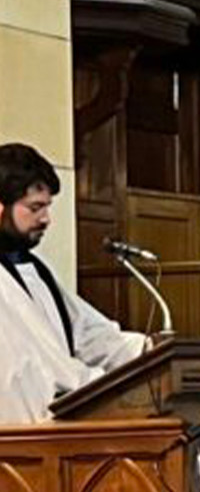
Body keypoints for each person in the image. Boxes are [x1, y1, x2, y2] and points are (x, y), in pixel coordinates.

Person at [0, 142, 148, 425]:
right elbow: (33, 368)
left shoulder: (36, 270)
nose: (46, 219)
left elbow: (87, 334)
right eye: (35, 207)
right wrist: (88, 383)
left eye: (47, 207)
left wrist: (149, 350)